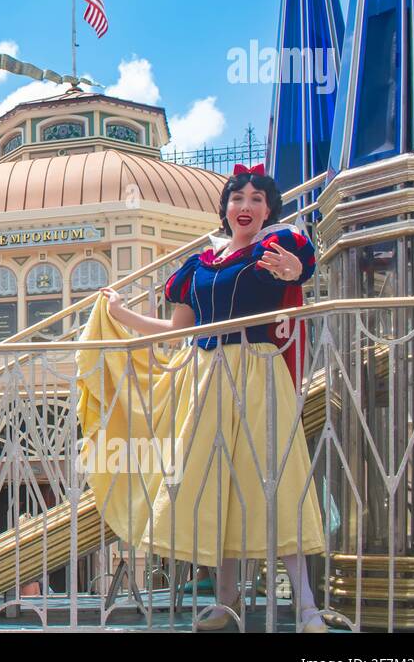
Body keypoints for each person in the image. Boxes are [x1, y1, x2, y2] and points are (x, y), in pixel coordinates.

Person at [74, 164, 327, 632]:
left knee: (275, 478)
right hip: (206, 375)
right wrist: (121, 314)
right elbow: (177, 331)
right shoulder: (200, 265)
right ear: (225, 207)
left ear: (269, 207)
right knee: (216, 484)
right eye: (237, 197)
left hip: (258, 372)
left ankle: (308, 605)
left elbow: (300, 270)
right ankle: (226, 601)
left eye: (256, 198)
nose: (246, 205)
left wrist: (293, 271)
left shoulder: (279, 246)